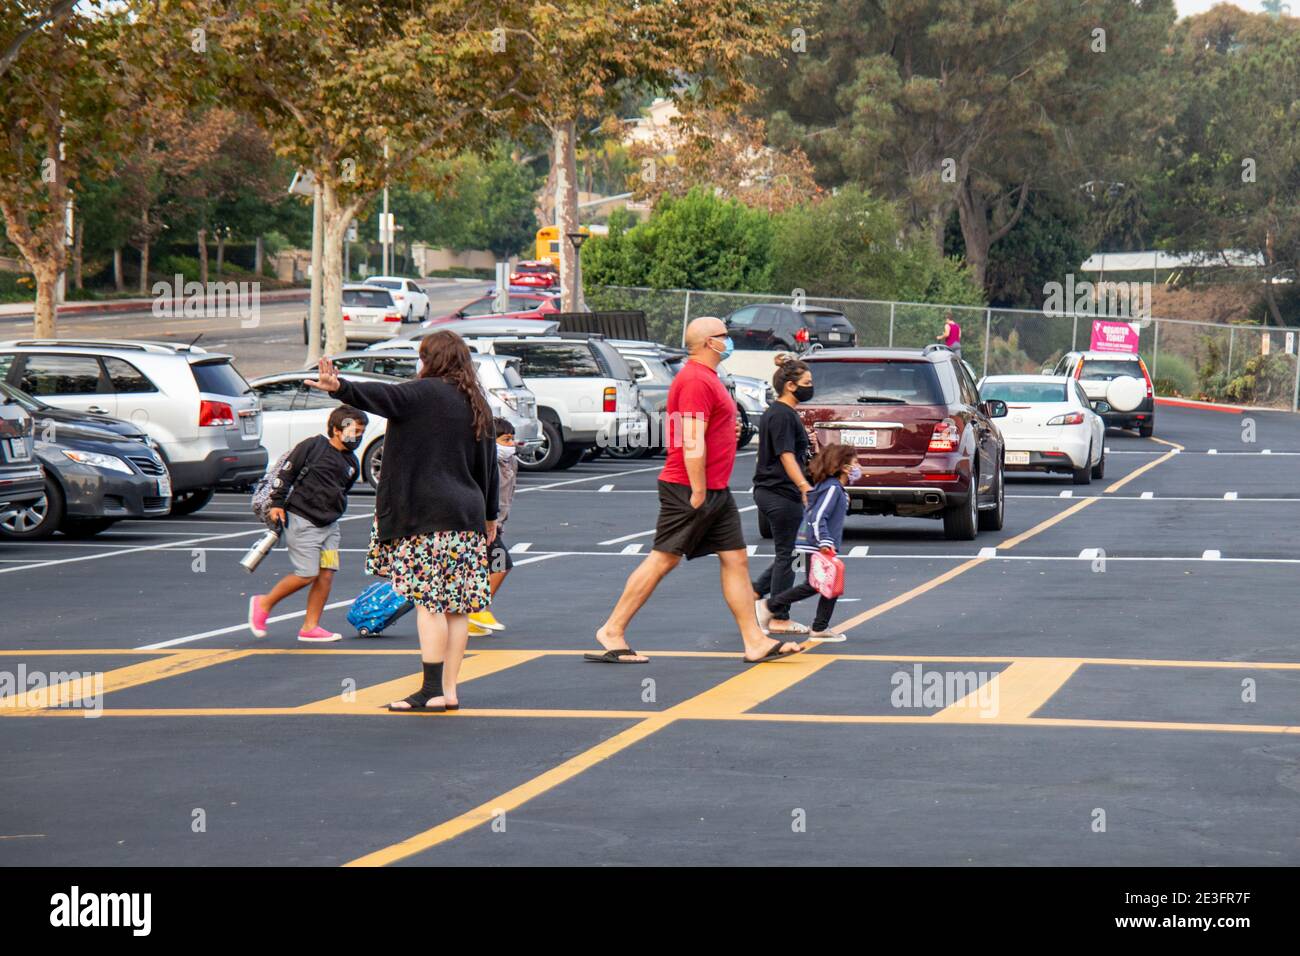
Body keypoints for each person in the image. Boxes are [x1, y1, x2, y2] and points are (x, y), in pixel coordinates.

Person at [590, 315, 804, 665]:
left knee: (735, 558)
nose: (729, 340)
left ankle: (755, 641)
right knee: (664, 559)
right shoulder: (694, 380)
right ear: (709, 342)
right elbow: (690, 440)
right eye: (724, 335)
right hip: (689, 487)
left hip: (713, 488)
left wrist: (726, 435)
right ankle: (612, 630)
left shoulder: (708, 378)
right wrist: (699, 491)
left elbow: (704, 429)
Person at [306, 331, 498, 713]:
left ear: (429, 359)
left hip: (426, 515)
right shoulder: (476, 402)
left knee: (429, 604)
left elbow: (380, 396)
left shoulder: (420, 394)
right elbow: (487, 466)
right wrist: (490, 516)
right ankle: (449, 690)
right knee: (458, 607)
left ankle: (429, 691)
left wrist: (338, 386)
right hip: (467, 514)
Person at [248, 405, 367, 643]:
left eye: (361, 433)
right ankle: (264, 603)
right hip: (302, 521)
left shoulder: (352, 462)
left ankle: (310, 627)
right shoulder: (313, 446)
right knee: (307, 574)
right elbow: (285, 474)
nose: (358, 437)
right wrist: (277, 504)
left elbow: (342, 489)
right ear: (336, 429)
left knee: (326, 574)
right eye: (353, 432)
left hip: (330, 527)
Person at [758, 444, 857, 643]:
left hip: (815, 543)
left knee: (830, 583)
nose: (858, 467)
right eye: (855, 463)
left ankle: (820, 626)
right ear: (845, 467)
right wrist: (824, 541)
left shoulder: (831, 487)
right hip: (817, 544)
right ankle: (769, 606)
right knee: (817, 584)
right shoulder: (832, 488)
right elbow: (819, 516)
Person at [751, 353, 815, 636]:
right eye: (807, 382)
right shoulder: (781, 415)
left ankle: (755, 594)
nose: (811, 386)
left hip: (775, 492)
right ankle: (778, 616)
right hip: (779, 493)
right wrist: (804, 486)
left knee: (789, 553)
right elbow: (786, 455)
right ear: (791, 385)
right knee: (788, 555)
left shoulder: (782, 413)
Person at [468, 417, 518, 636]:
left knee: (485, 568)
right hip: (482, 524)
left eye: (512, 439)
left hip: (496, 524)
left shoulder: (510, 462)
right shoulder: (484, 463)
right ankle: (477, 608)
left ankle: (473, 617)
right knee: (501, 563)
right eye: (506, 439)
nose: (511, 444)